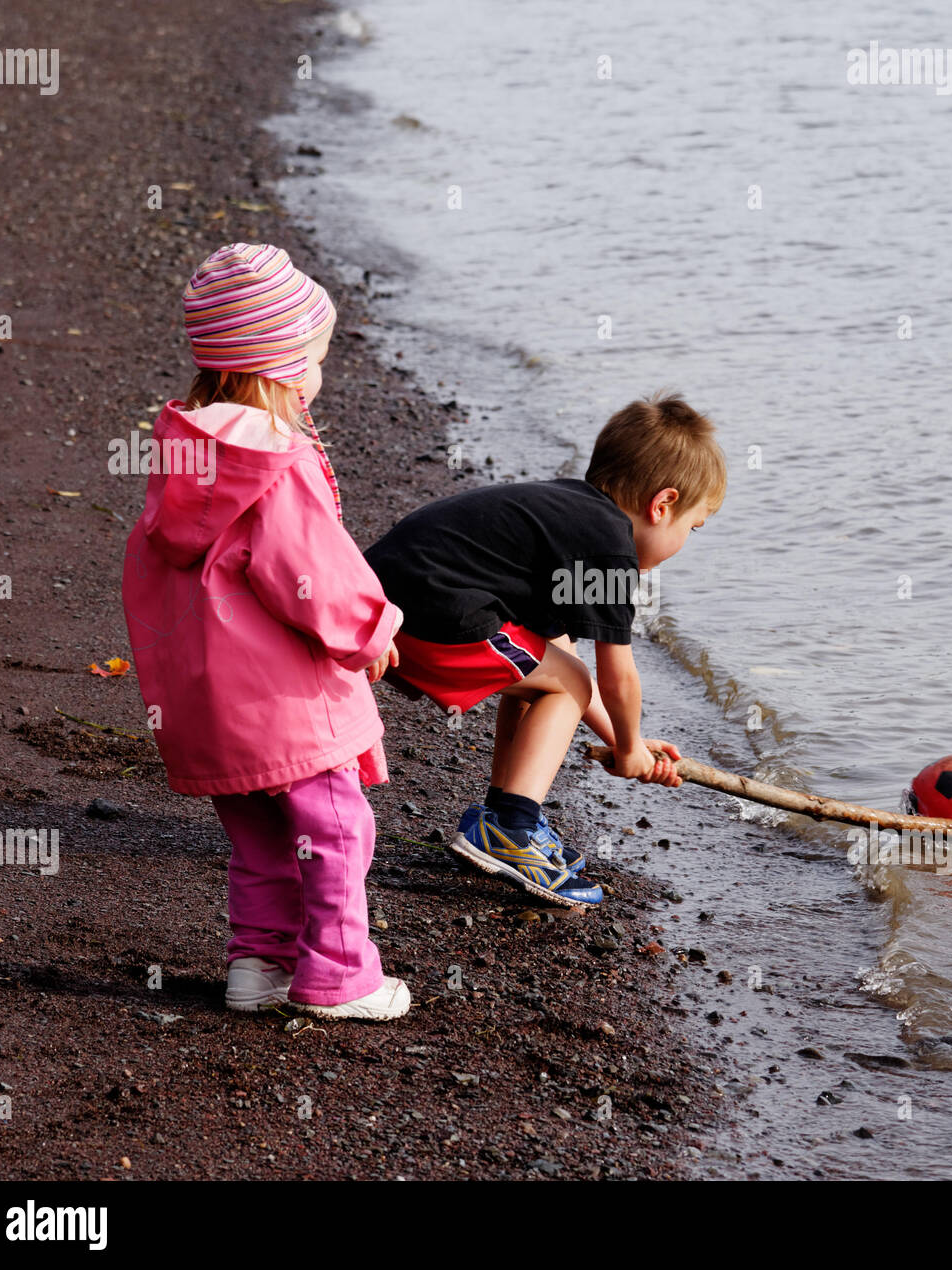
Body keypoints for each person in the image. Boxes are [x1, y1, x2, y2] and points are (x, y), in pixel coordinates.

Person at [122, 242, 410, 1021]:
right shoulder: (275, 462)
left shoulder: (183, 452)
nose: (320, 373)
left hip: (211, 702)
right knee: (337, 827)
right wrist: (370, 630)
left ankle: (260, 967)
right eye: (315, 355)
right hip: (283, 698)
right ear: (279, 366)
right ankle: (341, 976)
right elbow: (307, 570)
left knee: (260, 841)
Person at [364, 392, 726, 908]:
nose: (686, 541)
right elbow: (613, 674)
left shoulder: (570, 520)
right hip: (432, 613)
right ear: (662, 504)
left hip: (389, 606)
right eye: (692, 527)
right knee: (566, 680)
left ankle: (503, 815)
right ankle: (511, 828)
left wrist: (634, 741)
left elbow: (556, 658)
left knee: (546, 674)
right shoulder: (608, 548)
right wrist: (626, 751)